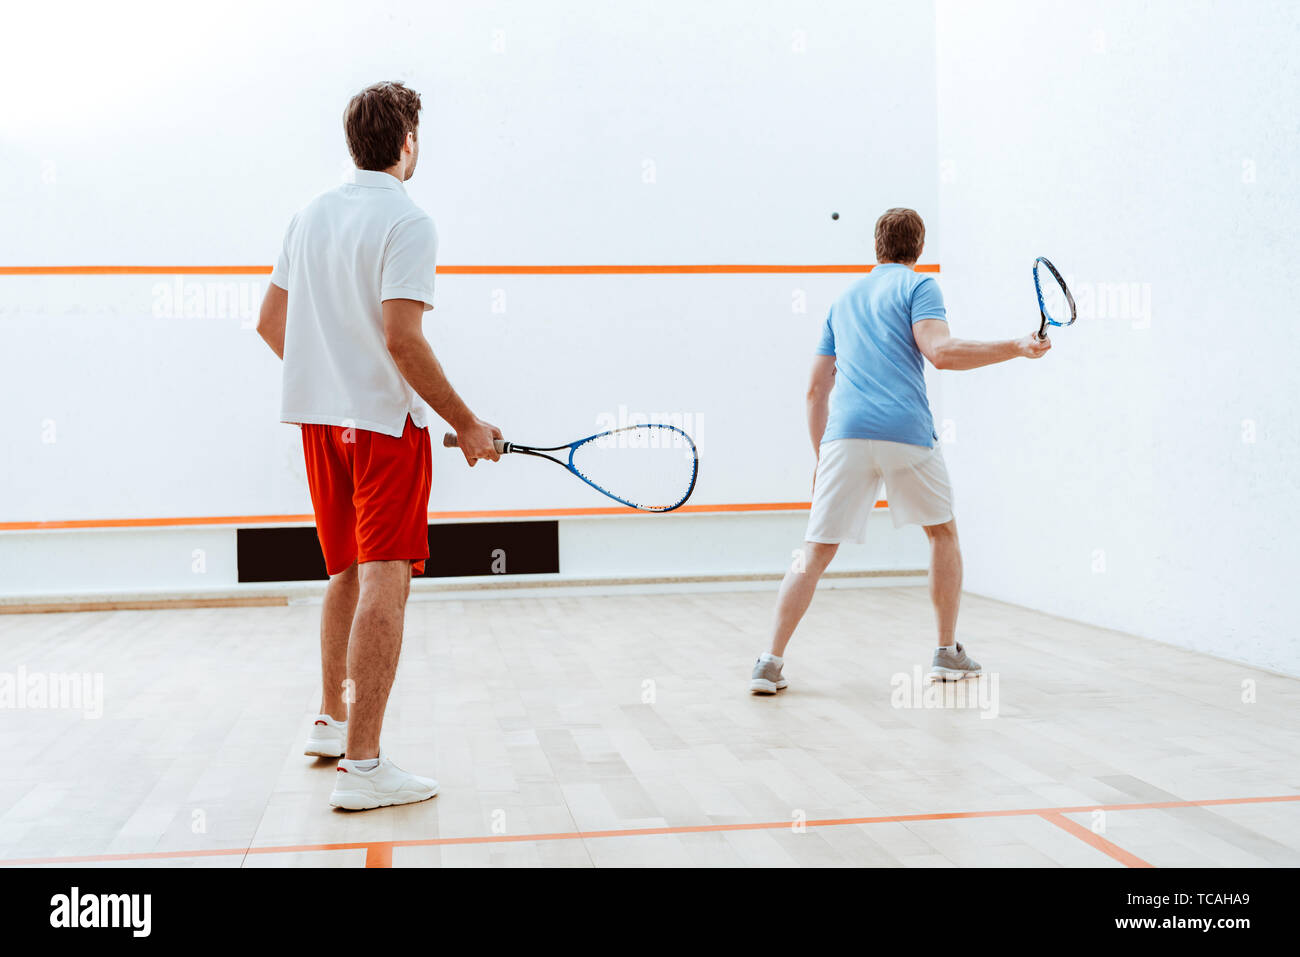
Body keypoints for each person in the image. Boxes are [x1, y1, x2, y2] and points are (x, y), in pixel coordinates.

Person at [256, 81, 501, 809]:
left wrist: (331, 380)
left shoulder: (309, 215)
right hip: (384, 435)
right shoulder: (409, 220)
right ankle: (363, 765)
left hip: (321, 429)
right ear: (407, 142)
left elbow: (272, 323)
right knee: (386, 580)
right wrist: (464, 421)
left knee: (347, 575)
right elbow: (401, 338)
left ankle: (331, 719)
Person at [750, 207, 1051, 694]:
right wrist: (1016, 345)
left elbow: (814, 390)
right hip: (905, 432)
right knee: (942, 534)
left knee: (813, 553)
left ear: (876, 247)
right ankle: (945, 653)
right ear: (919, 249)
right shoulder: (919, 286)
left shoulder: (842, 299)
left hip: (844, 436)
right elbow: (942, 353)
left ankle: (768, 662)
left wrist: (822, 455)